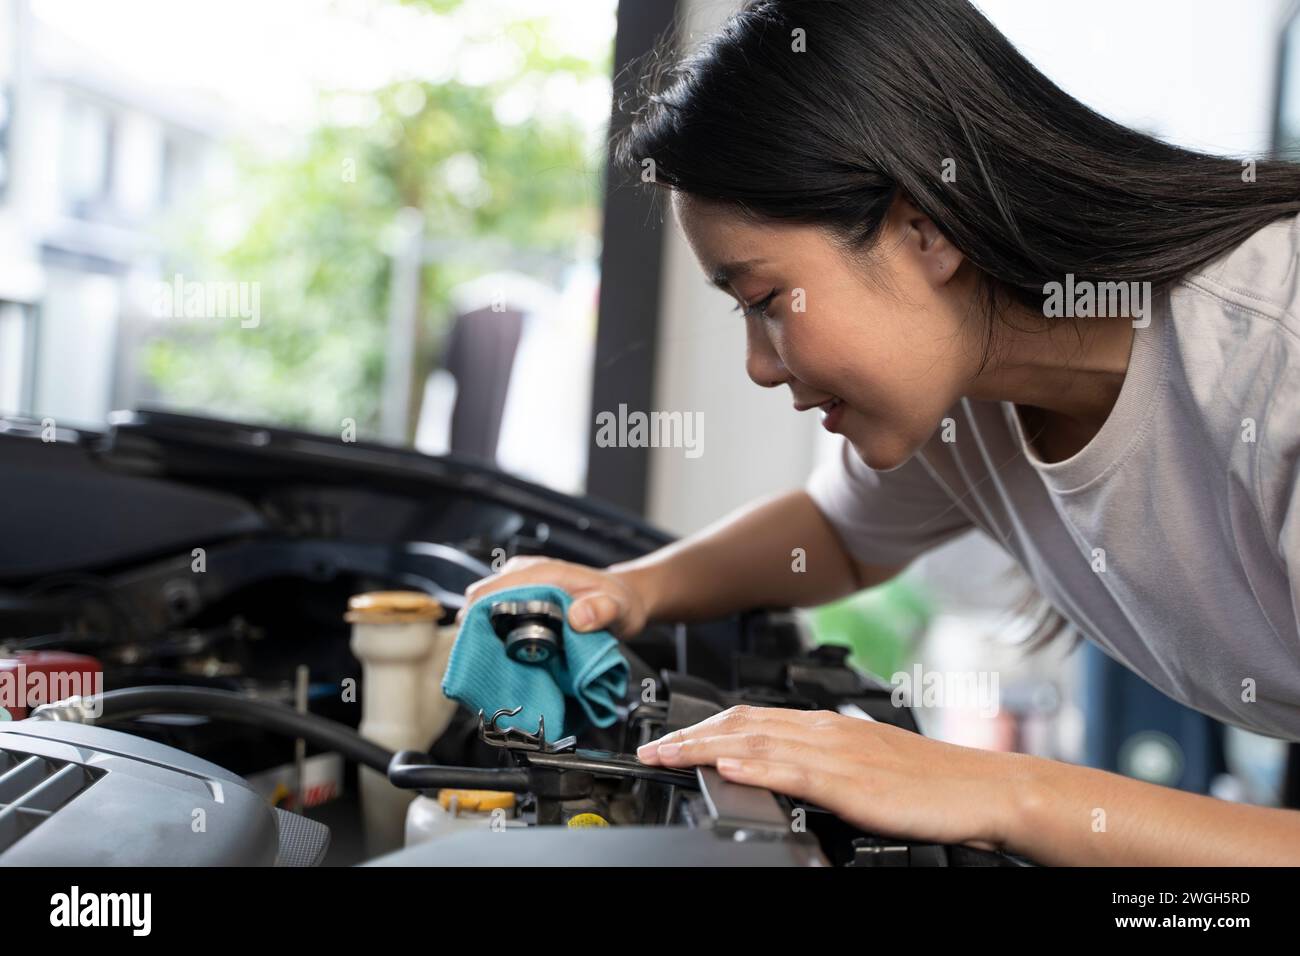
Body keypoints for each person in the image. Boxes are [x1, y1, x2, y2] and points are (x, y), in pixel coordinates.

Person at [461, 0, 1300, 864]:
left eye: (763, 301)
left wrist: (1002, 787)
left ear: (923, 231)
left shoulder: (1276, 360)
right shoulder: (968, 392)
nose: (758, 363)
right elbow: (836, 536)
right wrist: (630, 591)